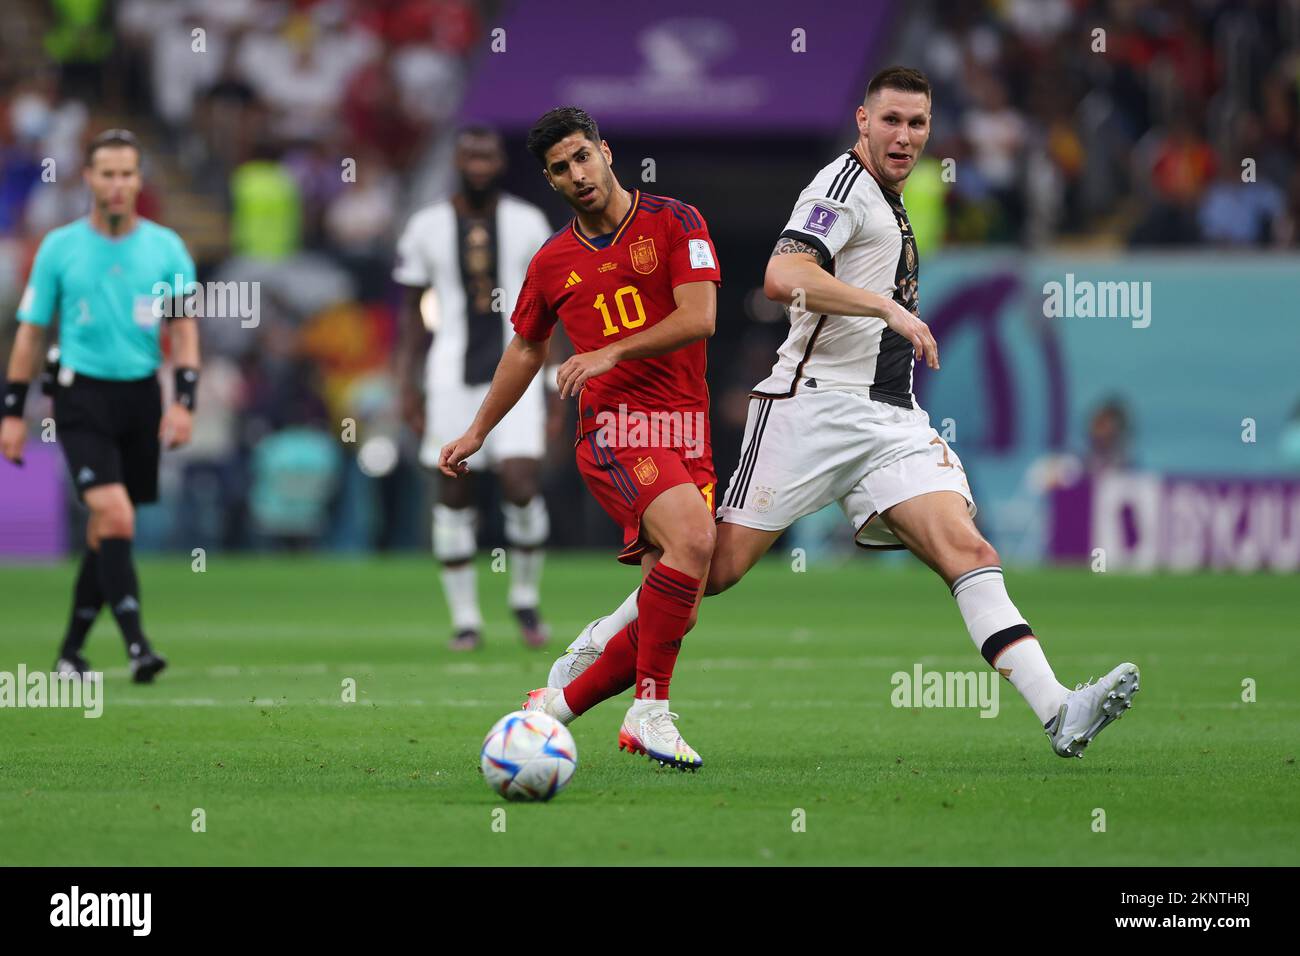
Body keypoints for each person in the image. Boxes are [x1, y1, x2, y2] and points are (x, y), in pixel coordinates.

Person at [534, 68, 1140, 760]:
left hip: (891, 421)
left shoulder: (893, 196)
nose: (905, 136)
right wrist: (884, 306)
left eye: (917, 123)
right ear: (862, 121)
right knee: (710, 568)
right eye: (891, 121)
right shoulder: (841, 187)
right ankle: (586, 664)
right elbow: (782, 275)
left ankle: (1059, 708)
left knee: (967, 552)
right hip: (812, 408)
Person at [439, 107, 722, 770]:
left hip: (686, 428)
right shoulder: (551, 262)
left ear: (606, 152)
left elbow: (700, 316)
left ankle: (552, 711)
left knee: (674, 611)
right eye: (561, 169)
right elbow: (524, 349)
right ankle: (650, 713)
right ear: (551, 179)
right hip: (616, 429)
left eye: (582, 158)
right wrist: (478, 430)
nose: (577, 174)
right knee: (697, 540)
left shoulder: (676, 221)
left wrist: (610, 350)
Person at [1, 129, 199, 683]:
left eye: (126, 173)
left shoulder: (167, 248)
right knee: (116, 514)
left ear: (139, 180)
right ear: (87, 178)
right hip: (80, 393)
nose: (116, 184)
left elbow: (183, 330)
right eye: (106, 173)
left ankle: (70, 654)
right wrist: (12, 413)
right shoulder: (60, 247)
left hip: (140, 395)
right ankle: (139, 647)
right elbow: (29, 335)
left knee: (105, 529)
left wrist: (184, 402)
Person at [394, 126, 555, 650]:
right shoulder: (425, 225)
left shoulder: (528, 222)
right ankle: (466, 619)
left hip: (520, 373)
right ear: (457, 161)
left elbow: (555, 305)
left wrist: (556, 381)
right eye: (470, 155)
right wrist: (407, 385)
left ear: (500, 162)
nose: (479, 164)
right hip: (448, 377)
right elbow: (413, 317)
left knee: (520, 482)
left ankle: (525, 601)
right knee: (454, 491)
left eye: (487, 154)